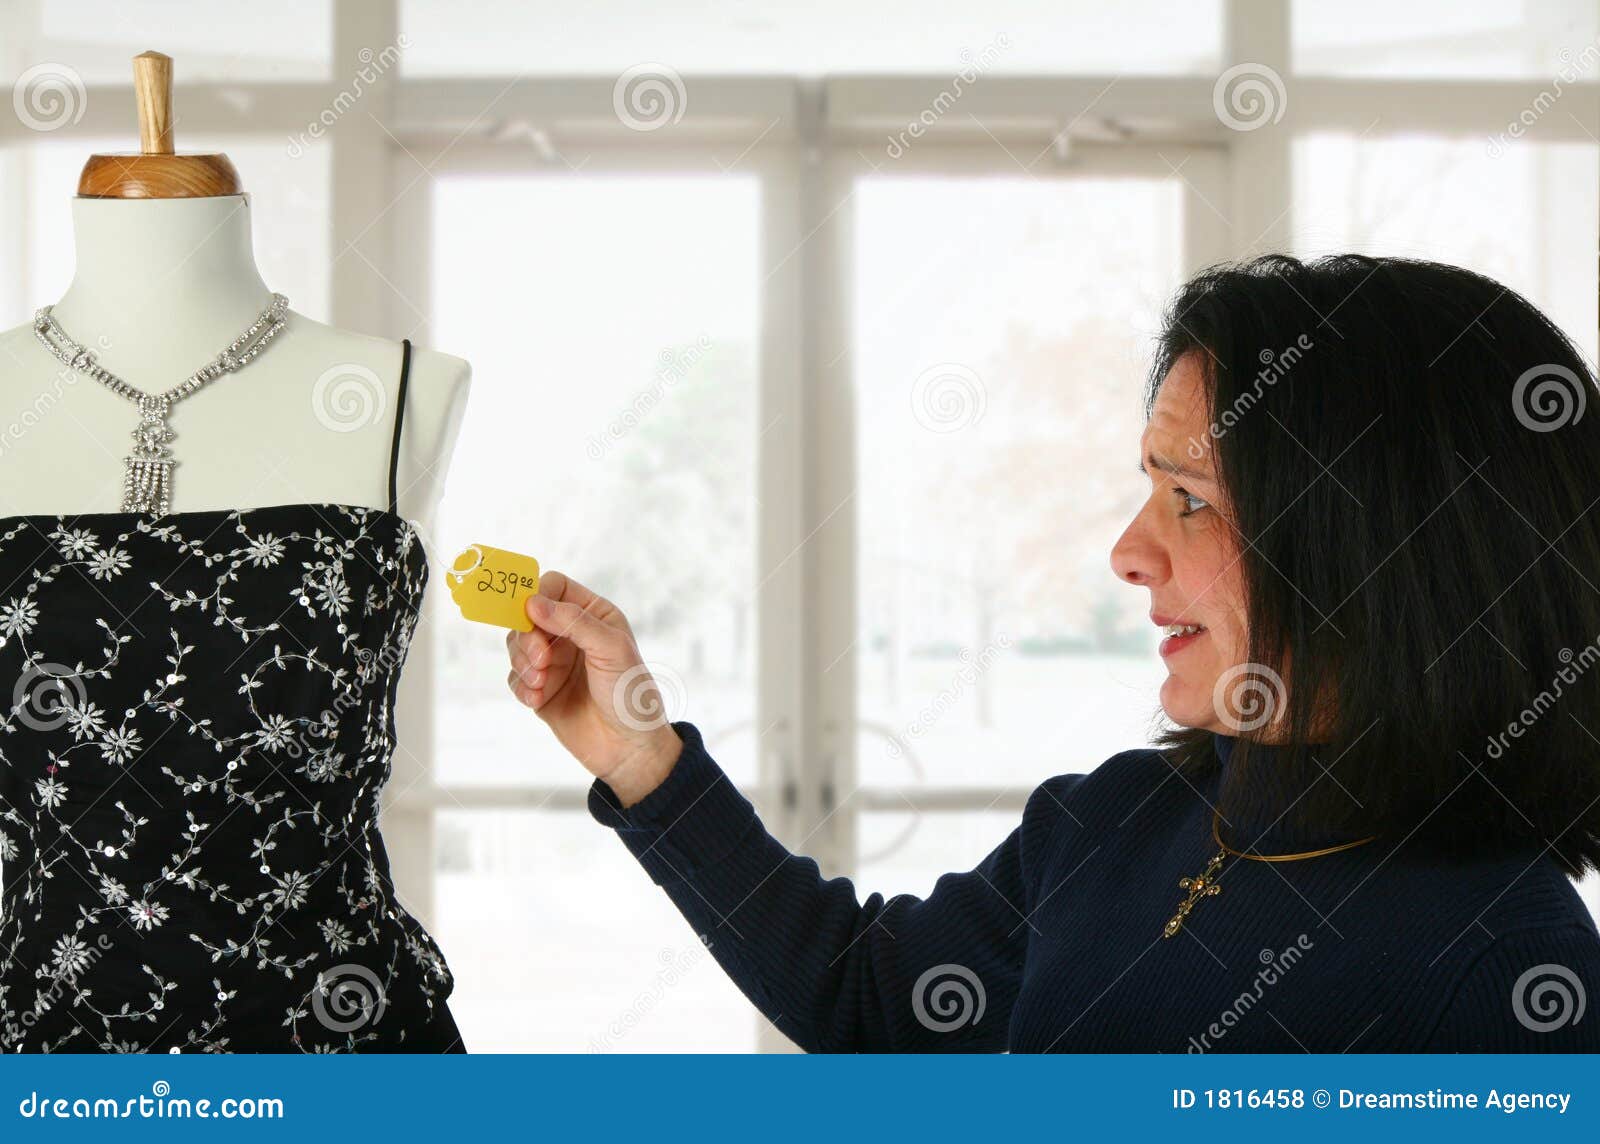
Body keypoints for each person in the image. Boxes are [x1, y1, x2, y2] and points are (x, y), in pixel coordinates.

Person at [506, 254, 1600, 1052]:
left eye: (1191, 501)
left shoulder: (1506, 962)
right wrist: (643, 759)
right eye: (1146, 490)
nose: (1128, 552)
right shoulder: (1113, 819)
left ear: (1375, 543)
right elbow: (870, 996)